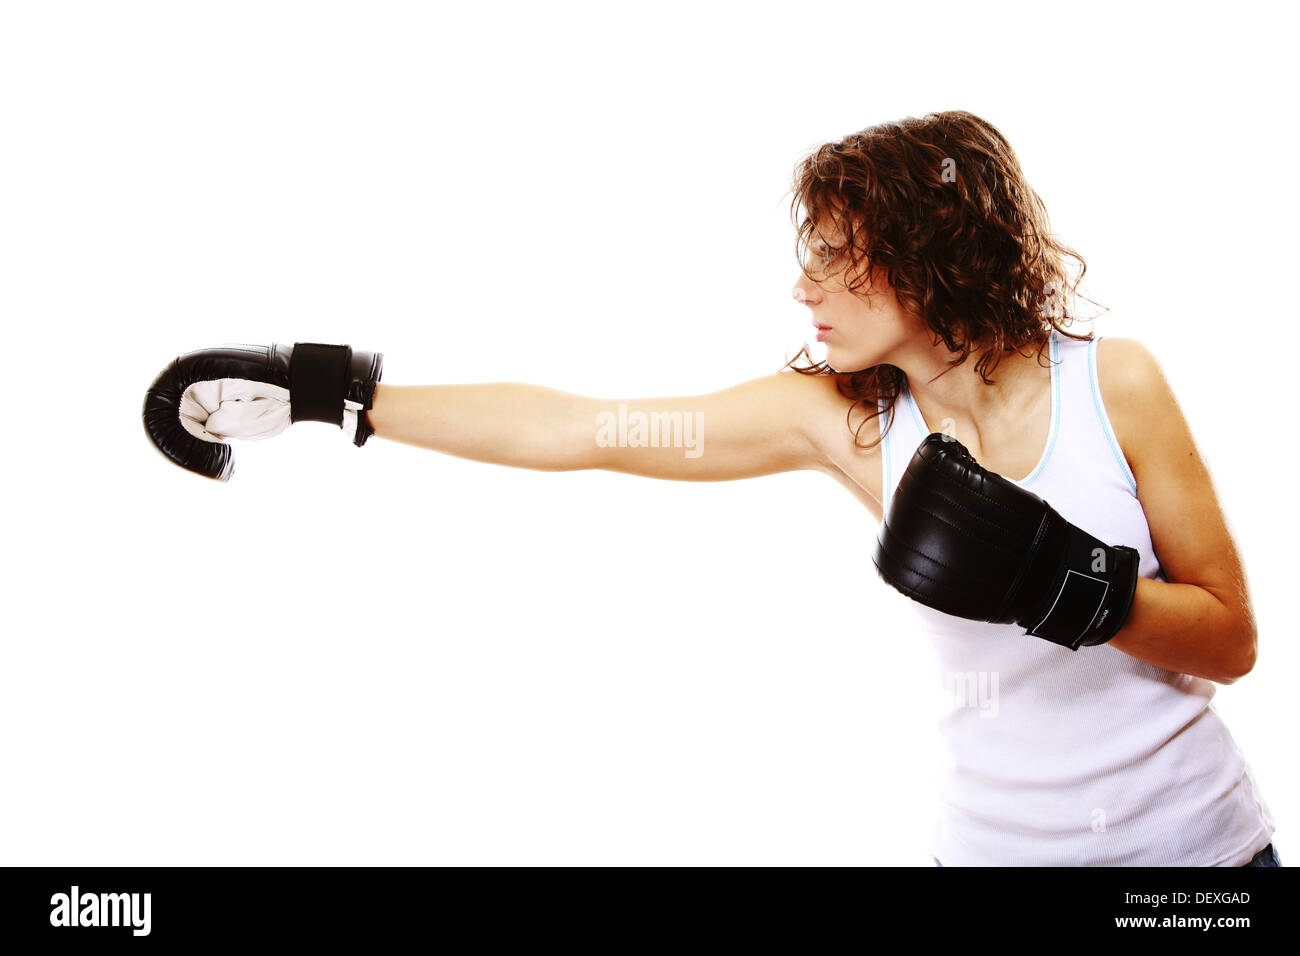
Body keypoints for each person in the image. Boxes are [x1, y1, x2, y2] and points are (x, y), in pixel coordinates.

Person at [143, 110, 1277, 867]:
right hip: (984, 853)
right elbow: (584, 429)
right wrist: (333, 393)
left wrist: (1061, 580)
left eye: (837, 254)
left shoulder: (1110, 384)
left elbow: (1228, 638)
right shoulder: (844, 420)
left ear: (933, 250)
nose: (803, 284)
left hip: (1197, 857)